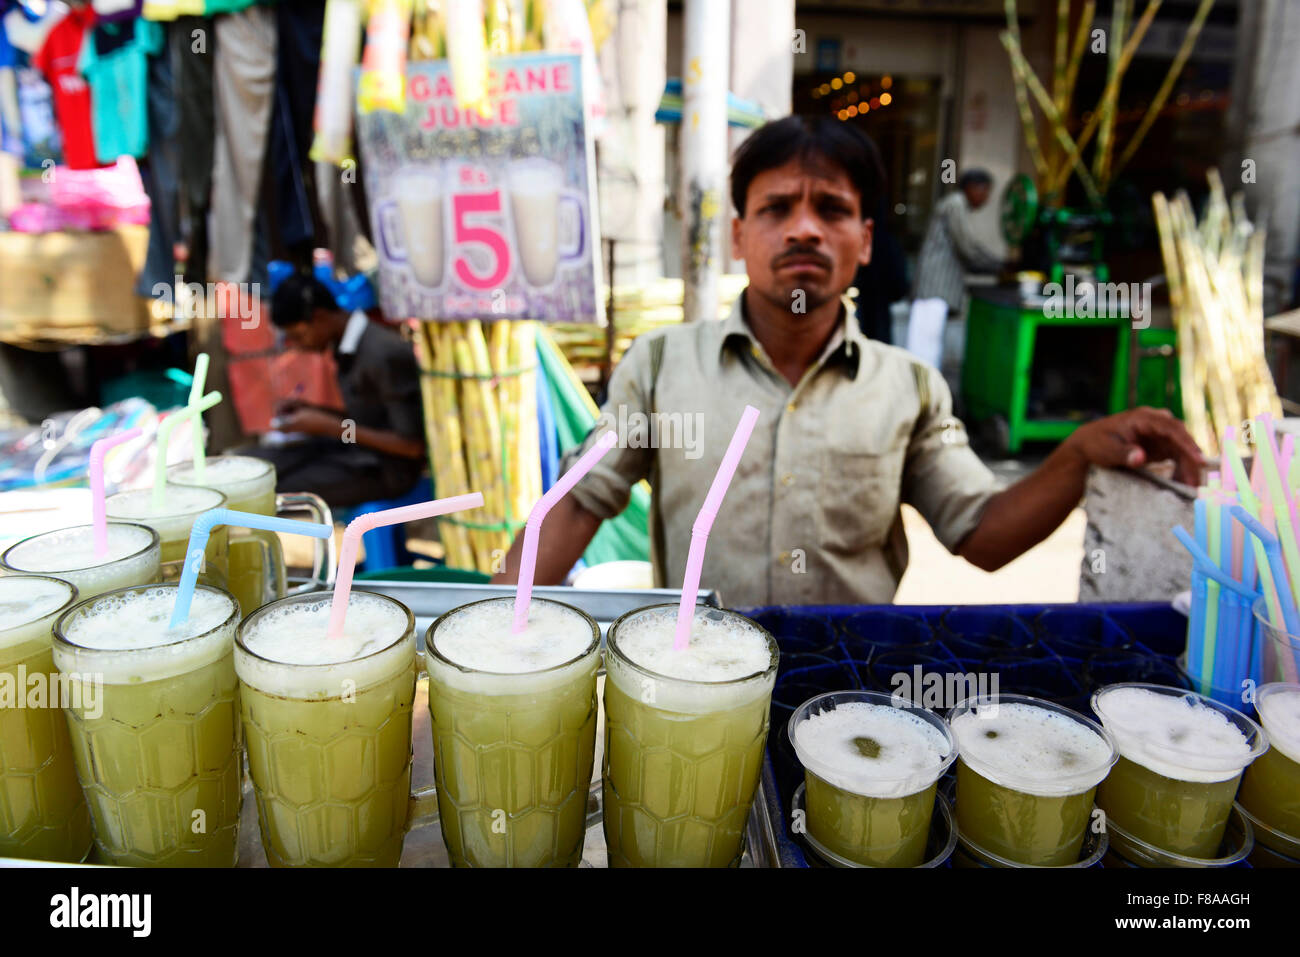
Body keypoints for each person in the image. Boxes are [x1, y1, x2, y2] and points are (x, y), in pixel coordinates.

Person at [492, 116, 1203, 607]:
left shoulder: (910, 388)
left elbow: (981, 536)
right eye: (777, 208)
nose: (804, 226)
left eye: (830, 208)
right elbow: (579, 503)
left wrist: (1074, 456)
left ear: (864, 240)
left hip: (849, 695)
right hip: (693, 687)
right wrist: (496, 625)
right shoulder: (660, 366)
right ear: (740, 236)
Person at [245, 273, 426, 507]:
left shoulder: (382, 354)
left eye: (299, 336)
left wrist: (331, 427)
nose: (300, 346)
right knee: (259, 465)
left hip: (390, 470)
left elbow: (411, 446)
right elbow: (370, 419)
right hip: (357, 450)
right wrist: (314, 412)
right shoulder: (349, 345)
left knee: (272, 491)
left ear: (319, 317)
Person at [907, 168, 1006, 370]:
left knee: (927, 347)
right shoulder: (955, 203)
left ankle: (926, 395)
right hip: (934, 288)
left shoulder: (956, 204)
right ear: (971, 187)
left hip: (937, 291)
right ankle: (922, 397)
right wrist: (999, 266)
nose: (986, 198)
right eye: (984, 191)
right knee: (924, 351)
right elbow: (967, 247)